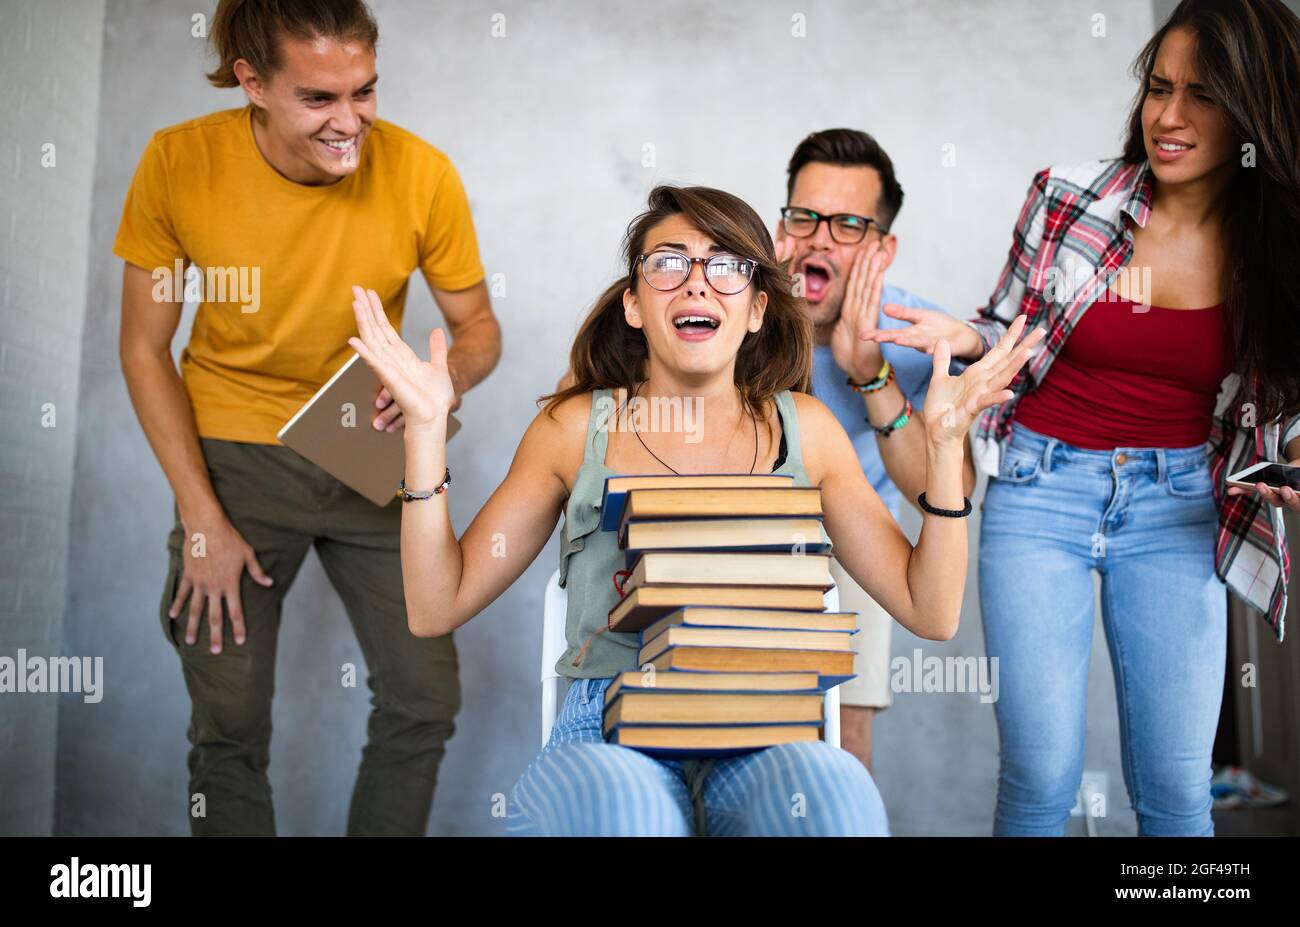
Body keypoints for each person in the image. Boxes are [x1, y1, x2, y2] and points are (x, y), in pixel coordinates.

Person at [348, 184, 1042, 836]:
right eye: (670, 263)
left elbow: (931, 609)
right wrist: (424, 432)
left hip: (767, 729)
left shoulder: (810, 429)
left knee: (837, 796)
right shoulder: (572, 429)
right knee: (629, 815)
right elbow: (435, 606)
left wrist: (946, 448)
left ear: (759, 309)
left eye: (727, 266)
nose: (697, 281)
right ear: (633, 303)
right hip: (609, 732)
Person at [868, 0, 1300, 836]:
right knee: (1039, 779)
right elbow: (1012, 327)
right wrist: (969, 335)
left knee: (1177, 792)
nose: (1168, 117)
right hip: (1040, 489)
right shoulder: (1069, 199)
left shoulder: (1274, 244)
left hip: (1178, 505)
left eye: (1202, 95)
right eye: (1158, 88)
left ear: (1253, 108)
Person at [115, 0, 501, 836]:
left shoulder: (422, 172)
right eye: (319, 99)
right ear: (252, 83)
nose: (349, 121)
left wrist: (441, 381)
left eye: (364, 92)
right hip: (232, 458)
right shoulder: (178, 162)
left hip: (368, 446)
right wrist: (201, 516)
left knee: (425, 697)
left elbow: (478, 331)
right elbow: (145, 350)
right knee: (229, 726)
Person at [773, 127, 977, 773]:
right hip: (737, 532)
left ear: (883, 248)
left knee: (842, 747)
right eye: (804, 217)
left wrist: (870, 374)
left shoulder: (917, 333)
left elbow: (945, 494)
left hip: (850, 543)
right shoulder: (732, 307)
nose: (819, 239)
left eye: (847, 225)